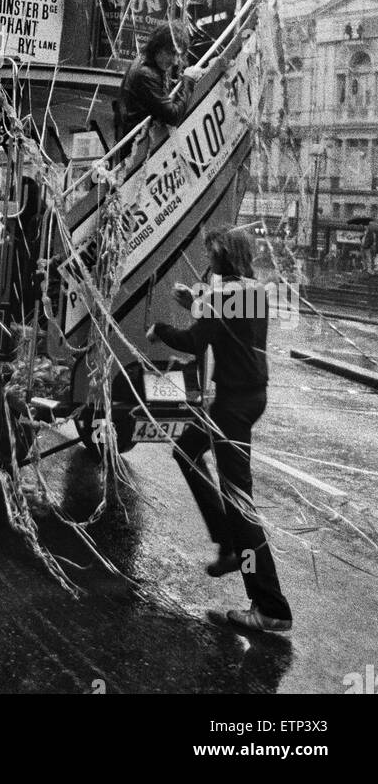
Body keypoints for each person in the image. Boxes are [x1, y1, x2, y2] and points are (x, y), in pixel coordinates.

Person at [146, 226, 293, 636]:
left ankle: (270, 604)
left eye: (212, 254)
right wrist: (195, 301)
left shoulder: (223, 296)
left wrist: (160, 328)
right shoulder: (251, 291)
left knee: (241, 504)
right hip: (244, 397)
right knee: (186, 450)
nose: (208, 261)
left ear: (225, 257)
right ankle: (228, 543)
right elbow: (226, 322)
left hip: (232, 405)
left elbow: (195, 341)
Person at [113, 24, 197, 155]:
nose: (175, 62)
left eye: (178, 56)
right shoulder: (146, 74)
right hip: (138, 152)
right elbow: (173, 116)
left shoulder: (147, 63)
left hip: (136, 144)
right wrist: (188, 82)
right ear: (158, 47)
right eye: (171, 53)